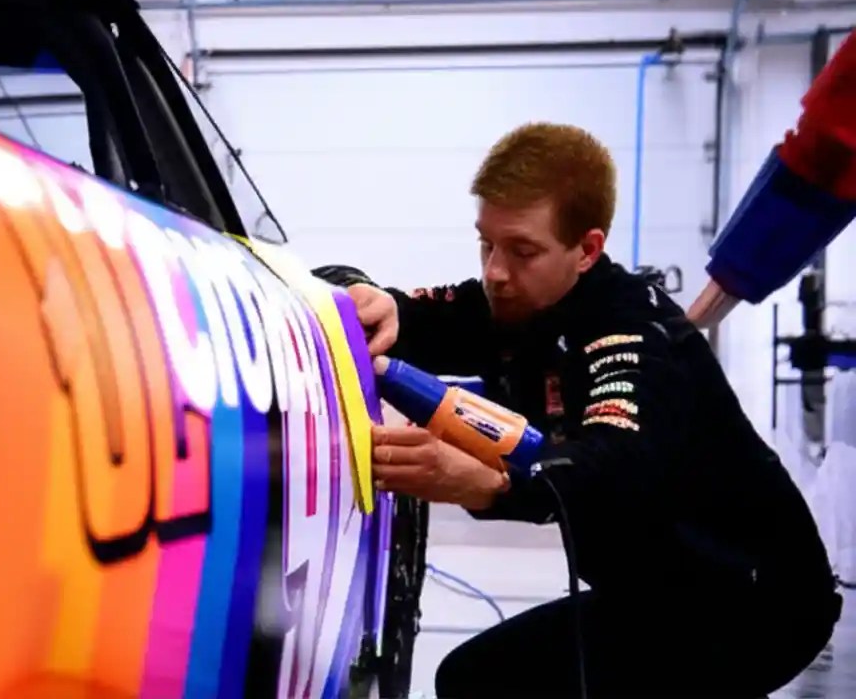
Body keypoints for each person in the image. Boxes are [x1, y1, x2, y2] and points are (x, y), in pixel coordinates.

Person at [329, 122, 843, 698]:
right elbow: (443, 316)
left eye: (522, 250)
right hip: (662, 589)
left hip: (751, 604)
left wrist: (488, 487)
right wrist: (384, 307)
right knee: (473, 680)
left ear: (588, 250)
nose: (496, 271)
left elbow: (608, 467)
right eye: (486, 243)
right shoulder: (525, 300)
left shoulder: (632, 336)